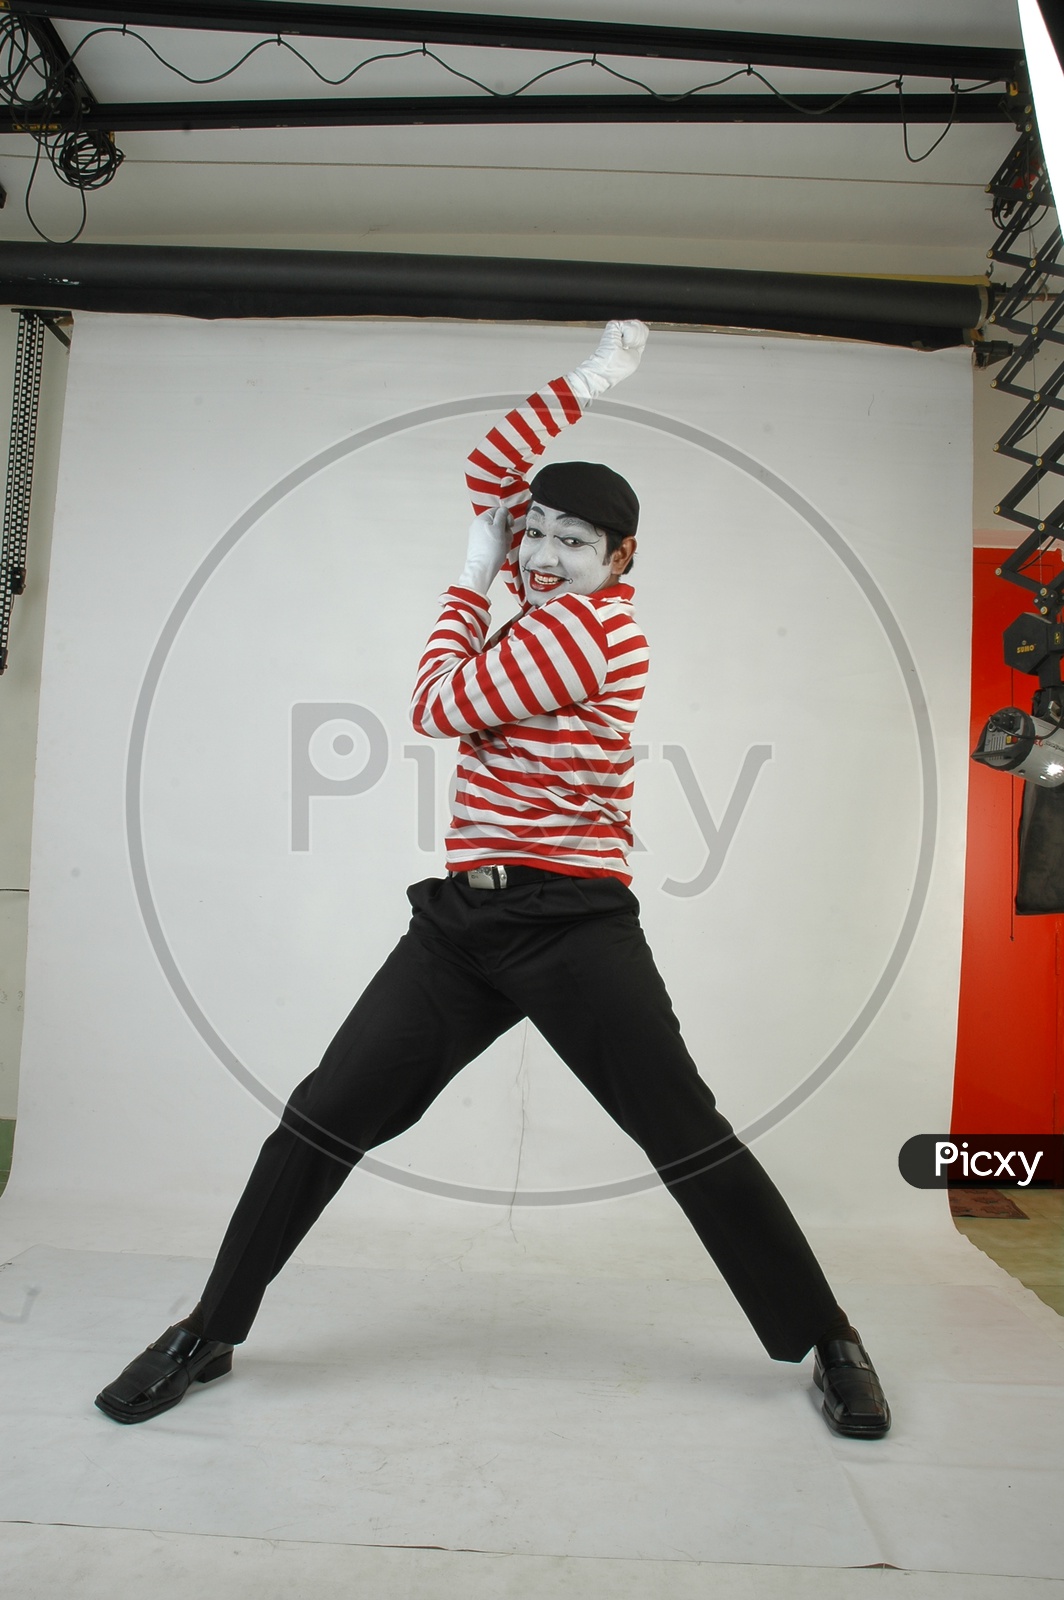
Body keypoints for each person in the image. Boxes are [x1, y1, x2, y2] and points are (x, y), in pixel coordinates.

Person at [95, 321, 890, 1440]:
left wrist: (465, 584)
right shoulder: (542, 593)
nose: (545, 554)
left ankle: (828, 1337)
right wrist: (587, 383)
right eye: (539, 535)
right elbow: (486, 474)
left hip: (569, 924)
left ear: (619, 560)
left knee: (683, 1132)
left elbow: (432, 702)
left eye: (577, 542)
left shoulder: (589, 637)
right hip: (464, 923)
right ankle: (209, 1328)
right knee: (323, 1114)